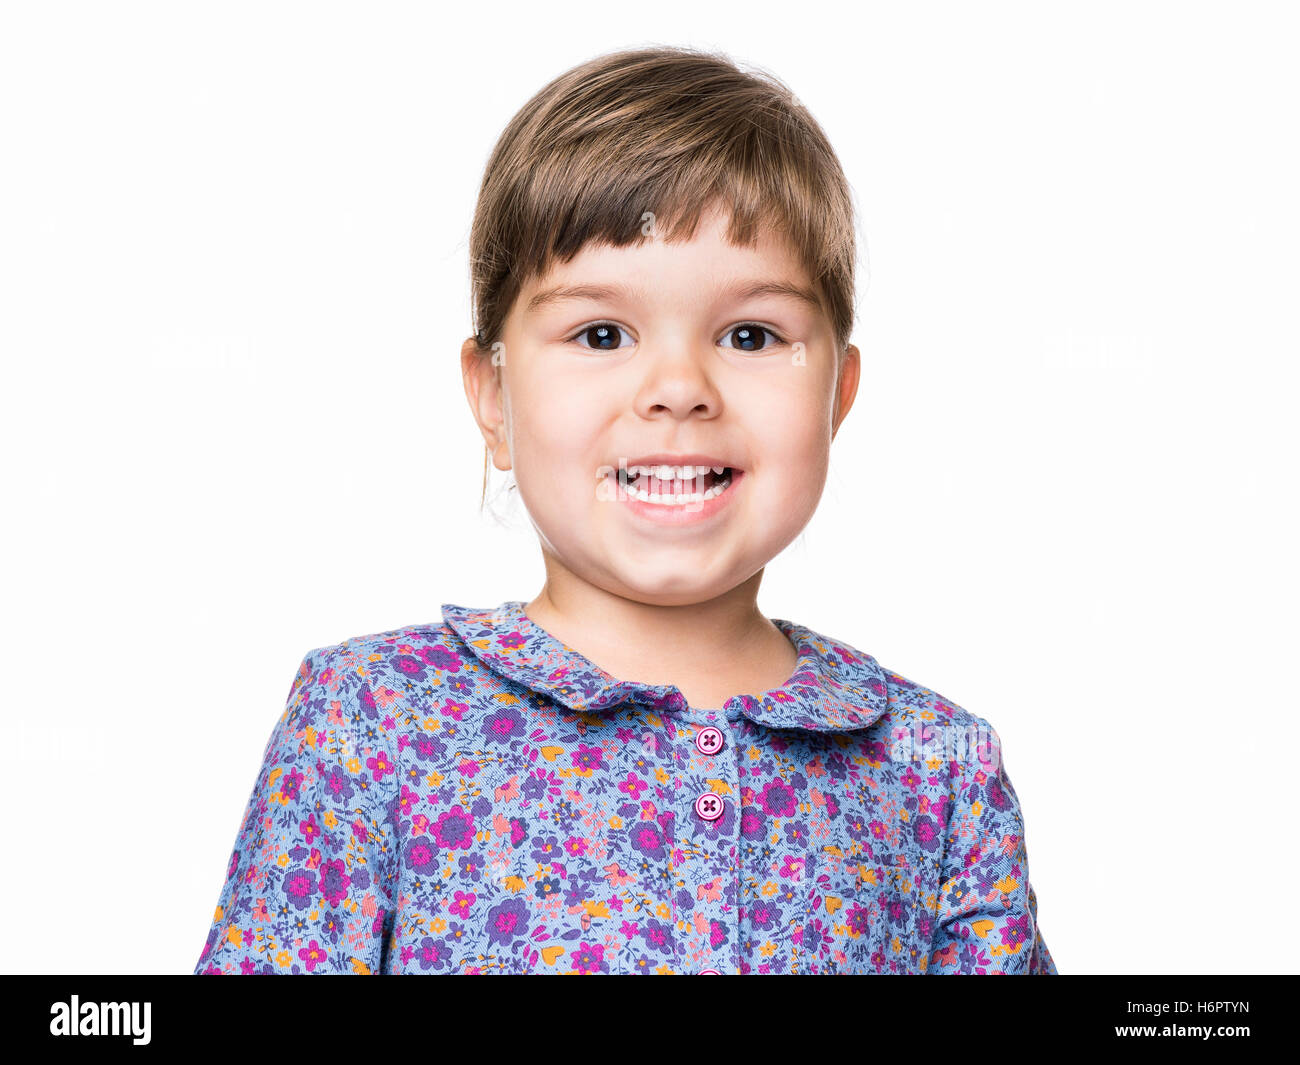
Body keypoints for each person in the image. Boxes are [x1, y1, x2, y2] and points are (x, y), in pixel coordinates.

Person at [194, 44, 1056, 975]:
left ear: (837, 396)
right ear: (494, 399)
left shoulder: (937, 772)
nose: (678, 387)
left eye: (751, 334)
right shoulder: (370, 723)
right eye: (601, 333)